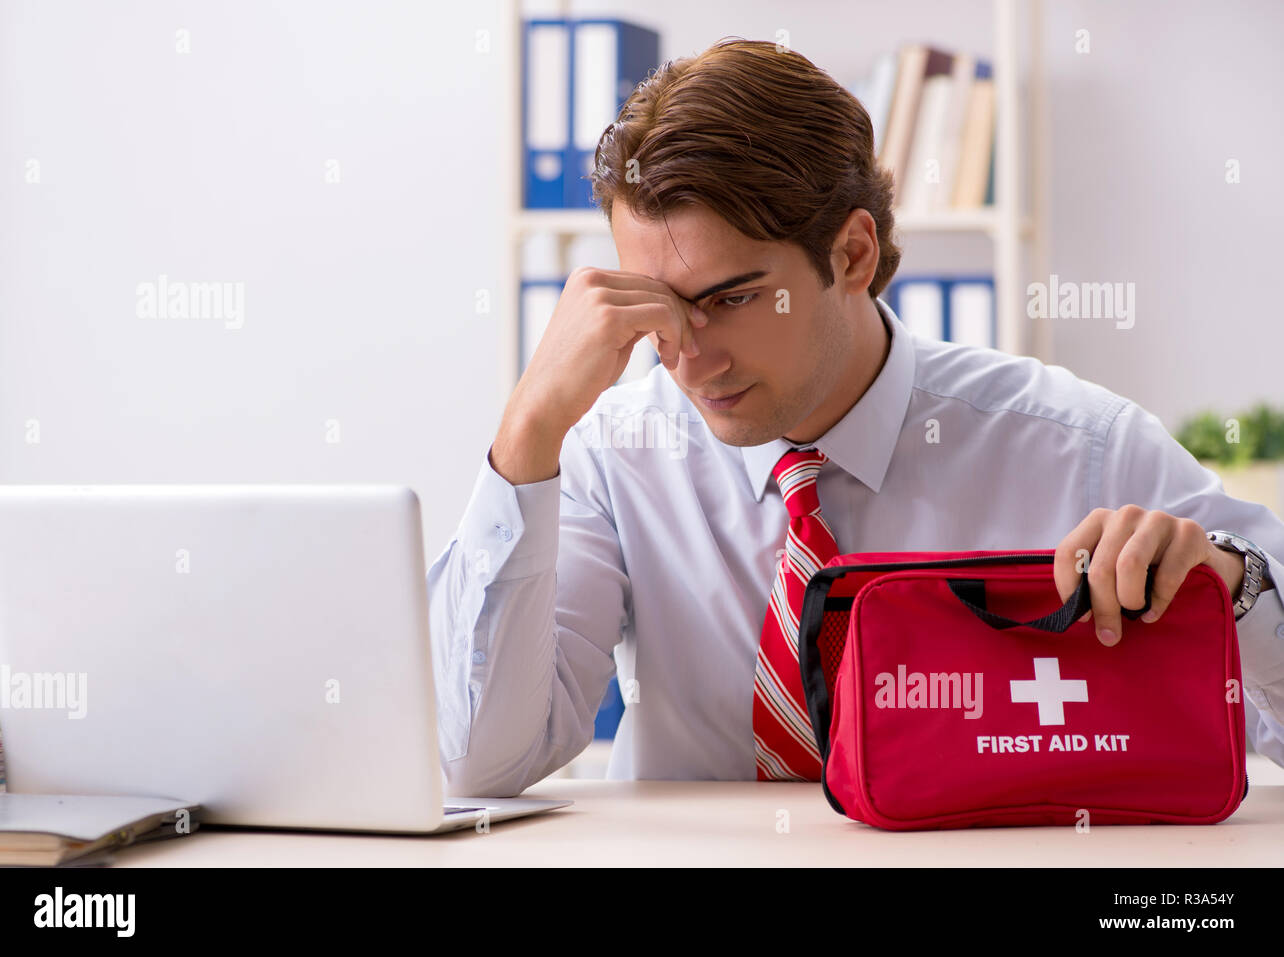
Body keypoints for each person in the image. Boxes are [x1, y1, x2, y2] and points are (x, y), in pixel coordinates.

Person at [427, 38, 1284, 797]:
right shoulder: (614, 454)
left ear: (852, 253)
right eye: (656, 309)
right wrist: (529, 429)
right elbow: (484, 763)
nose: (689, 356)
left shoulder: (1078, 447)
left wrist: (1232, 584)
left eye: (729, 298)